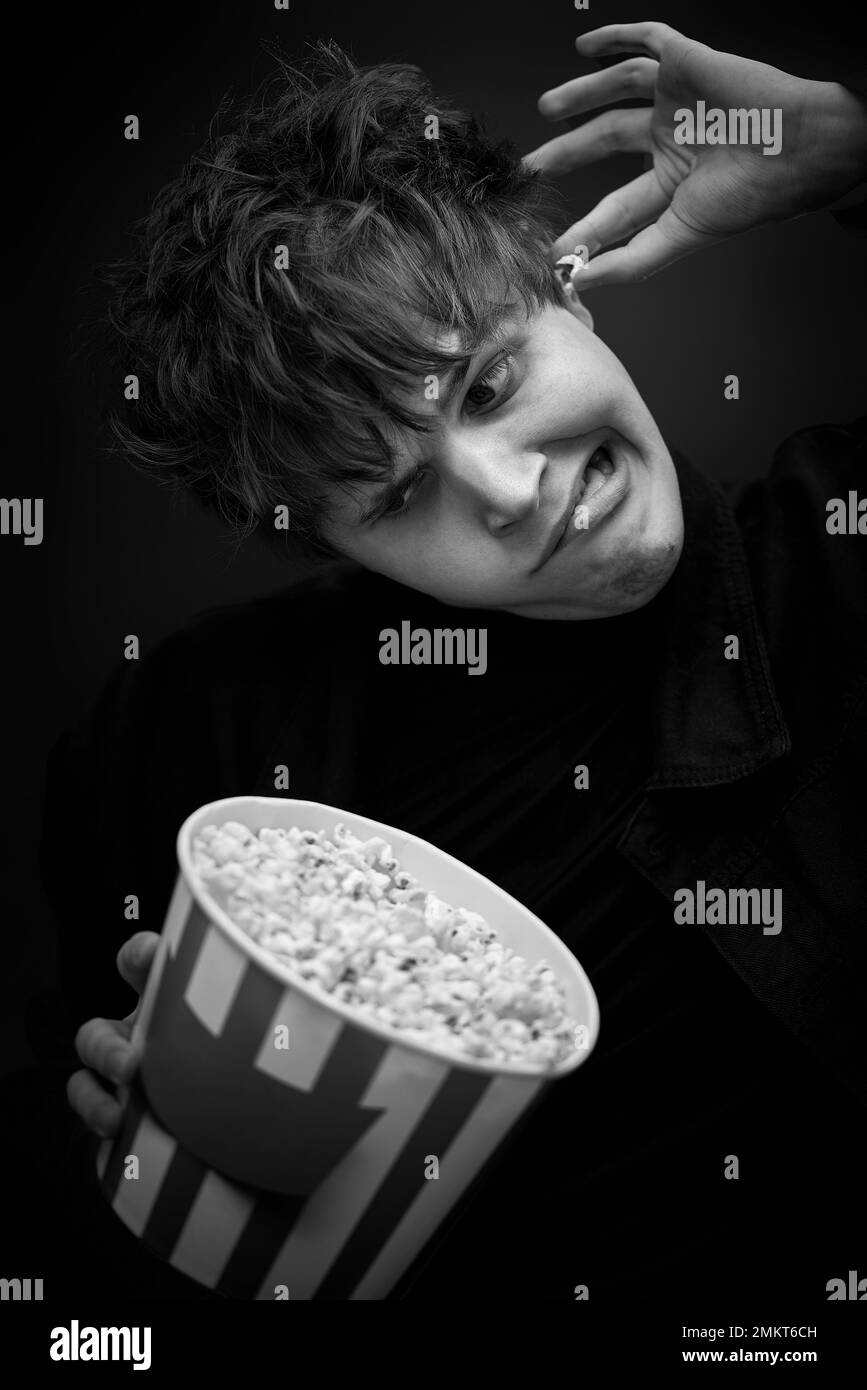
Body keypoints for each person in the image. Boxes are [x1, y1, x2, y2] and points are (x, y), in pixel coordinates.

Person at [29, 23, 867, 1301]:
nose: (513, 490)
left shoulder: (838, 562)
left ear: (567, 290)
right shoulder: (189, 738)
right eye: (401, 492)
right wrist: (114, 1142)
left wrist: (854, 151)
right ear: (330, 541)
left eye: (487, 385)